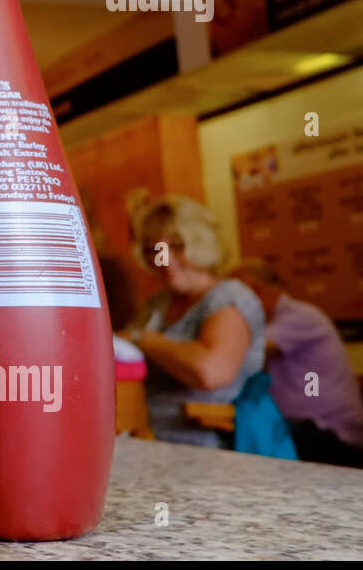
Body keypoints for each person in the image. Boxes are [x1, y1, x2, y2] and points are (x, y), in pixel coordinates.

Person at [124, 196, 265, 448]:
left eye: (177, 246)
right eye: (154, 250)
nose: (165, 260)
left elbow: (210, 372)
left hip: (204, 447)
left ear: (202, 244)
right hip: (147, 439)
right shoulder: (158, 302)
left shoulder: (230, 296)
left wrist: (145, 340)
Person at [228, 259, 363, 468]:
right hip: (305, 430)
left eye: (234, 301)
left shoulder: (300, 316)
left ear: (256, 291)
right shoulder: (273, 322)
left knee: (248, 445)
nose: (231, 310)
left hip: (332, 434)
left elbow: (242, 354)